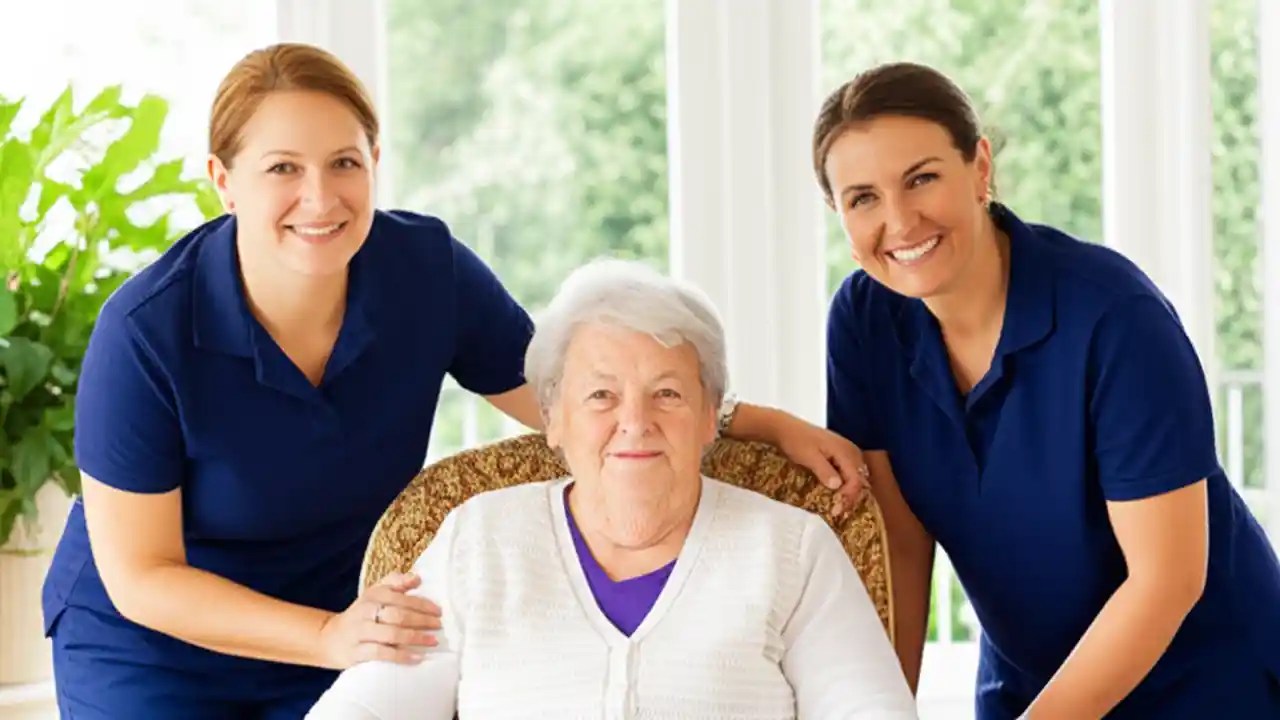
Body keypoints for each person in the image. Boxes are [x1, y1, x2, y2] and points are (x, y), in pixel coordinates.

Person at [42, 42, 870, 718]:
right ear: (222, 181)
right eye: (281, 170)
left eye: (344, 162)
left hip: (354, 620)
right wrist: (328, 636)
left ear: (376, 161)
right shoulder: (147, 331)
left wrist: (759, 423)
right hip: (160, 652)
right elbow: (141, 576)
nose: (320, 197)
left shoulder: (422, 270)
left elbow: (578, 397)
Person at [815, 61, 1280, 719]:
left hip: (1205, 686)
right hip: (1030, 686)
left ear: (979, 168)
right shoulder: (865, 320)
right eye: (863, 197)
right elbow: (901, 543)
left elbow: (1167, 580)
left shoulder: (1115, 316)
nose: (900, 221)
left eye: (921, 178)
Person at [305, 260, 917, 719]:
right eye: (601, 394)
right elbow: (366, 711)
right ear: (554, 418)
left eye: (669, 394)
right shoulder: (479, 540)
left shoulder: (792, 549)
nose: (635, 421)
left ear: (711, 417)